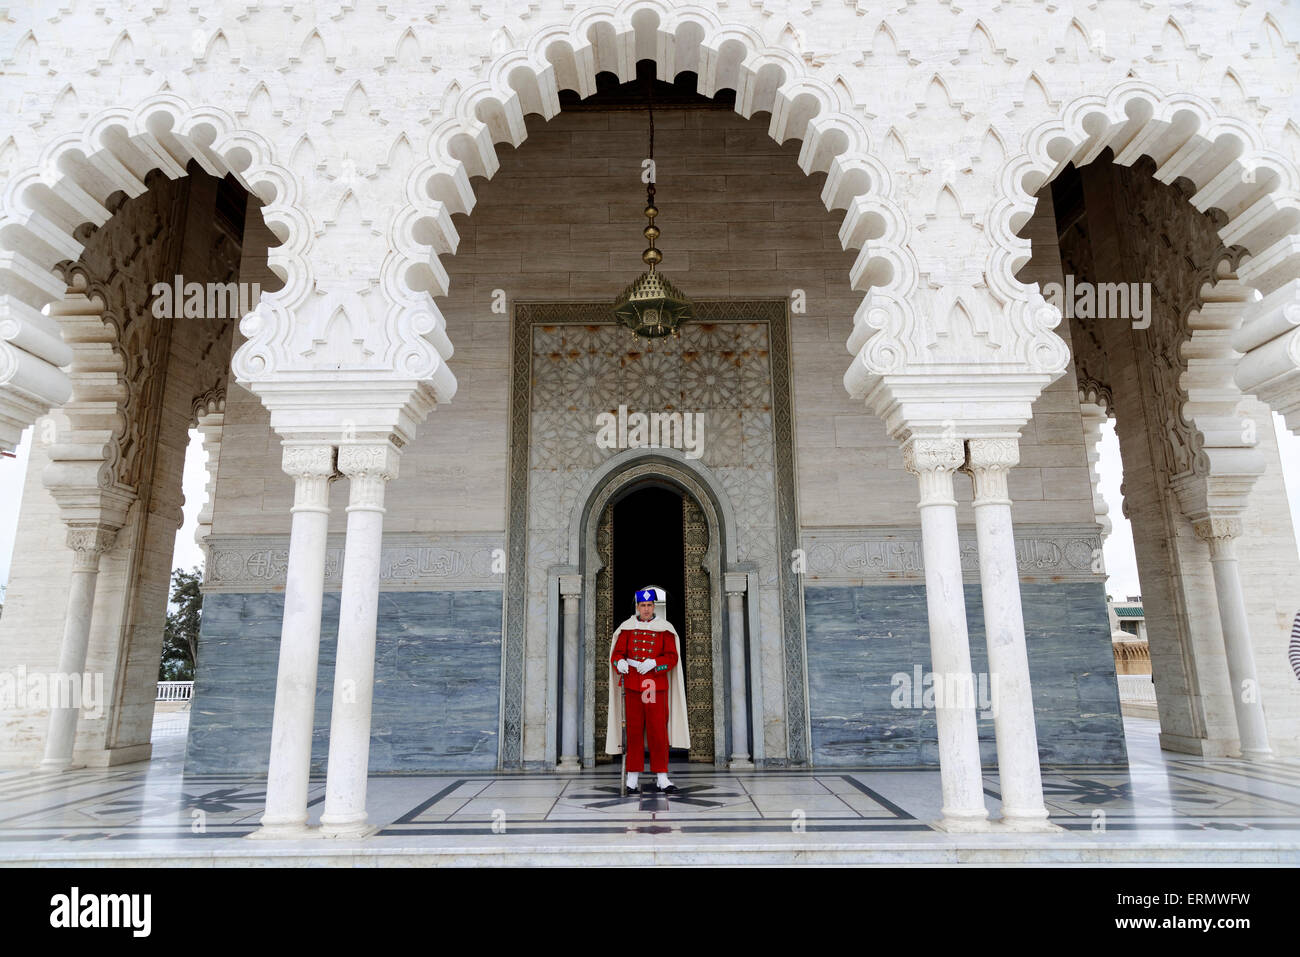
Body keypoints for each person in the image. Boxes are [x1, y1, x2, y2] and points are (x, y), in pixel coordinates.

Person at [605, 586, 689, 792]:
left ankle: (662, 777)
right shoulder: (626, 628)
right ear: (637, 607)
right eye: (642, 605)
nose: (646, 609)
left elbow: (672, 657)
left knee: (658, 732)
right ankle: (632, 778)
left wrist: (655, 663)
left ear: (654, 607)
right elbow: (617, 655)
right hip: (633, 685)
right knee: (633, 732)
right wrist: (620, 664)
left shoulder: (665, 628)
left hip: (654, 685)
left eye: (649, 605)